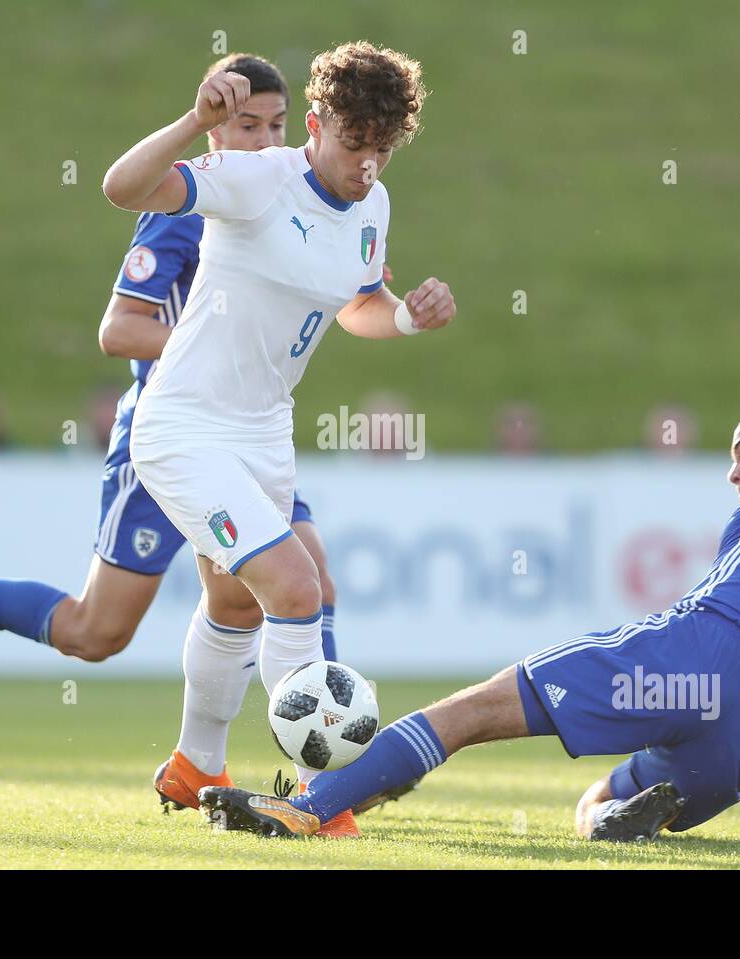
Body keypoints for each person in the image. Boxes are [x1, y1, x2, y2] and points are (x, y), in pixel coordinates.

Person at [0, 54, 360, 832]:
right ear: (218, 131)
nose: (263, 141)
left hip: (247, 435)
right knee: (97, 632)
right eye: (246, 125)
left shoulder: (290, 200)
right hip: (173, 431)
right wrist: (208, 344)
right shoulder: (188, 207)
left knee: (295, 585)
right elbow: (118, 328)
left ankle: (238, 774)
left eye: (276, 126)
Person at [197, 400, 740, 841]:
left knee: (470, 712)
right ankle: (618, 822)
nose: (734, 472)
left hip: (695, 656)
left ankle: (310, 805)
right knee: (598, 803)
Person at [99, 41, 454, 836]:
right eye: (356, 144)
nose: (368, 165)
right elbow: (122, 188)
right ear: (319, 125)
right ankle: (315, 798)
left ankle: (195, 764)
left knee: (236, 600)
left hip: (265, 432)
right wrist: (198, 120)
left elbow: (356, 302)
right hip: (186, 427)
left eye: (384, 149)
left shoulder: (374, 204)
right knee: (298, 586)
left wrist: (402, 316)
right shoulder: (257, 178)